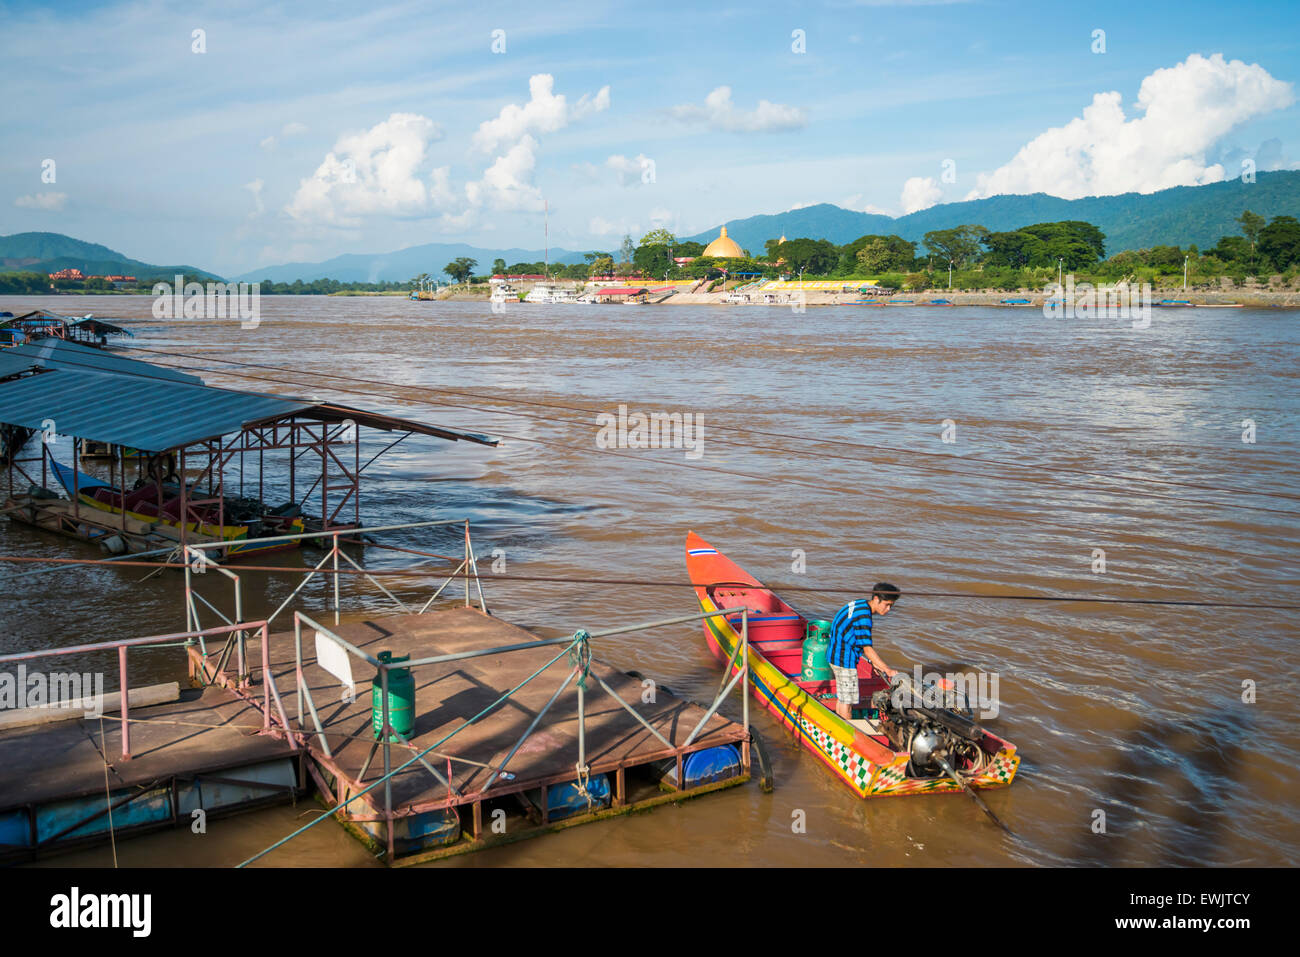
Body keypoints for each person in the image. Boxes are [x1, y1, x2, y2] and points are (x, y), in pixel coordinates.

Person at [826, 583, 901, 721]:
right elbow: (867, 649)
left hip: (834, 653)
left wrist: (876, 664)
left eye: (892, 605)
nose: (889, 609)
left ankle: (839, 721)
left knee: (844, 697)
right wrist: (887, 669)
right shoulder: (864, 617)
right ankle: (847, 732)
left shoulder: (861, 604)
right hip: (843, 660)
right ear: (876, 599)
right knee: (847, 702)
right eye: (887, 604)